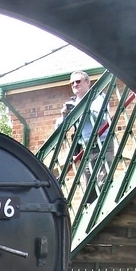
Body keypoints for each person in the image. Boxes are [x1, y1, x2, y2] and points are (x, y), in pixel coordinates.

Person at [56, 71, 115, 202]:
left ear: (88, 82)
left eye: (78, 81)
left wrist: (83, 109)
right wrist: (64, 115)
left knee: (103, 183)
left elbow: (103, 118)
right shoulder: (71, 103)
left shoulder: (98, 97)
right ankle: (93, 217)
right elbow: (59, 128)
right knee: (89, 190)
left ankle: (103, 210)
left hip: (103, 144)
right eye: (72, 83)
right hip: (85, 149)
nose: (75, 85)